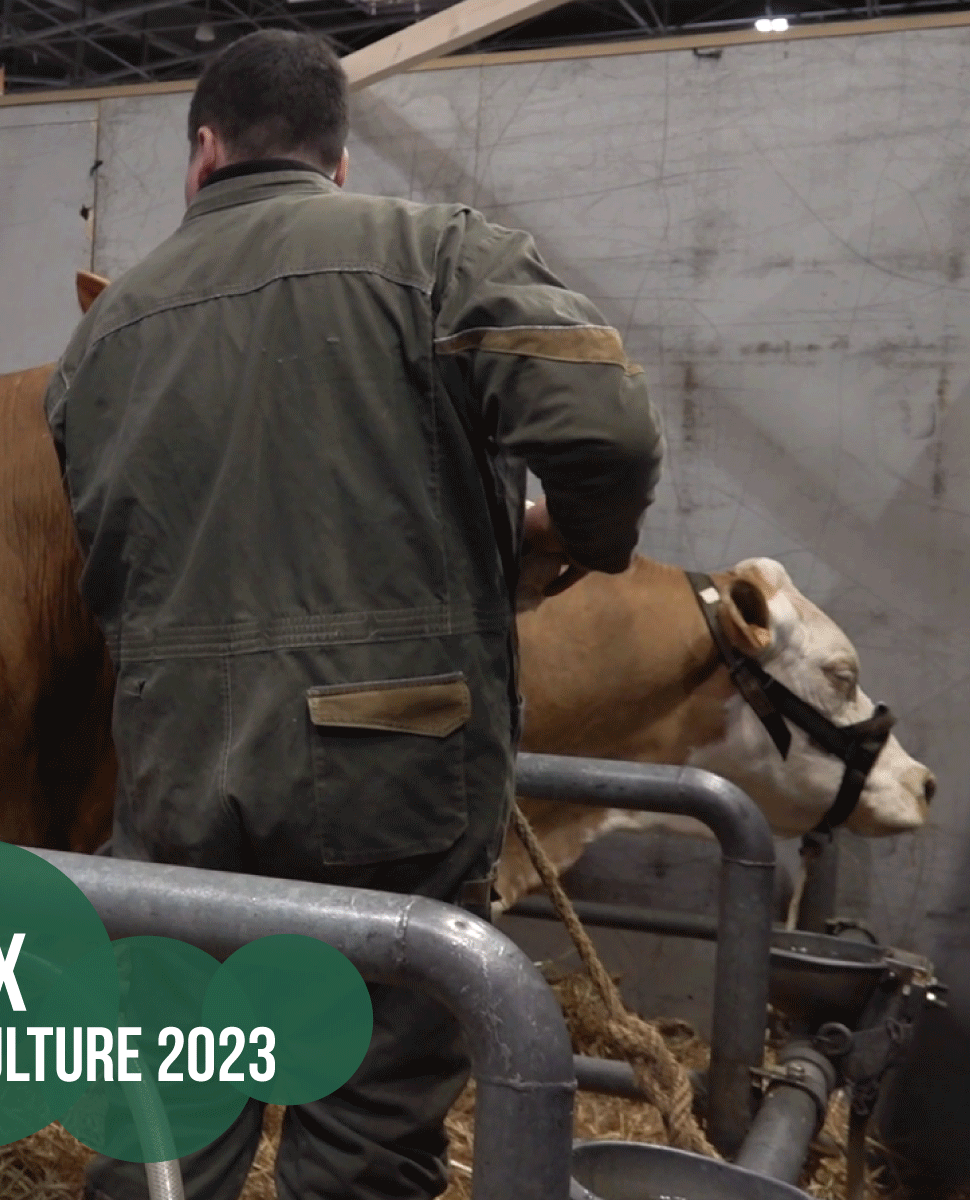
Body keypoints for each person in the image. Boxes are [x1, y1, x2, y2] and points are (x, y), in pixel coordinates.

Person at [42, 29, 663, 1200]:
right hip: (391, 767)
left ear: (202, 152)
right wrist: (568, 542)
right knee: (364, 1134)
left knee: (168, 1112)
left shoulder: (102, 335)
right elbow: (607, 430)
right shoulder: (436, 254)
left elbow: (112, 549)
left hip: (179, 770)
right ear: (335, 161)